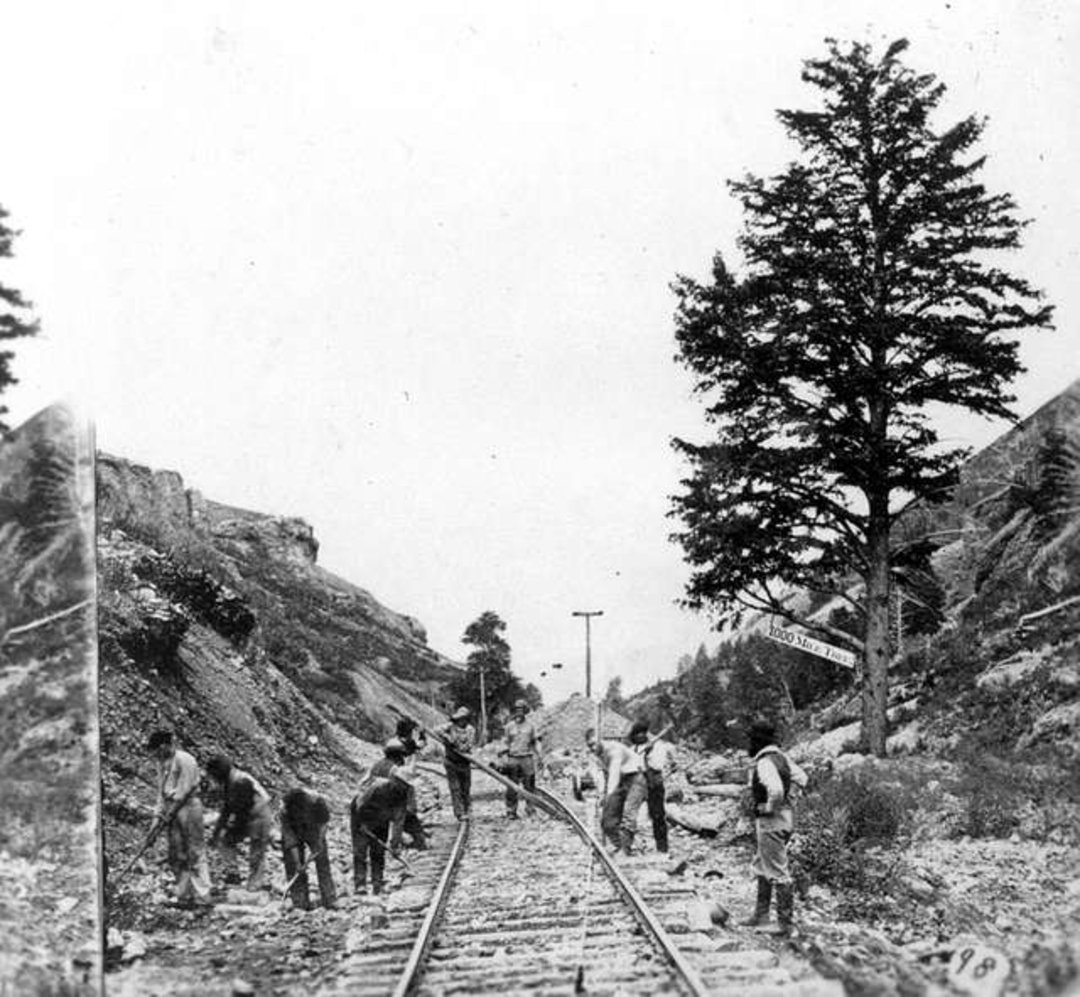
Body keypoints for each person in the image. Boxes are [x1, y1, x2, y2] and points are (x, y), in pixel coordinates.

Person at [741, 721, 808, 936]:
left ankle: (784, 923)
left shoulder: (764, 762)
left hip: (771, 820)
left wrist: (769, 807)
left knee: (777, 869)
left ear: (756, 741)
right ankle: (760, 915)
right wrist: (791, 800)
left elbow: (776, 790)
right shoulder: (781, 756)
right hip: (786, 817)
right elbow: (803, 779)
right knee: (763, 863)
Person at [147, 729, 211, 907]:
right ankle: (184, 895)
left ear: (165, 746)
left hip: (188, 806)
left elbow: (184, 791)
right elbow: (161, 793)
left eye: (158, 750)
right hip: (171, 809)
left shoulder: (185, 759)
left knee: (195, 850)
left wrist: (169, 814)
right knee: (176, 853)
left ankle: (203, 895)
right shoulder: (161, 763)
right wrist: (155, 821)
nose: (157, 755)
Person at [205, 754, 274, 892]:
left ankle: (255, 883)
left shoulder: (241, 780)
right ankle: (233, 875)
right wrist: (216, 833)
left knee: (256, 849)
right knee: (225, 841)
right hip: (245, 814)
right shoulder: (228, 782)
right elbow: (226, 809)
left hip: (259, 814)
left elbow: (241, 809)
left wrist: (232, 826)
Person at [350, 762, 415, 895]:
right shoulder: (378, 787)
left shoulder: (402, 797)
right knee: (360, 851)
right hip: (361, 817)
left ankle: (377, 884)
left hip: (381, 821)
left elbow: (398, 822)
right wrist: (361, 824)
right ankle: (360, 884)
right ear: (395, 780)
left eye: (407, 786)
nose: (404, 788)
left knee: (378, 851)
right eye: (403, 784)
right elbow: (359, 804)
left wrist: (395, 845)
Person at [586, 726, 647, 855]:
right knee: (607, 820)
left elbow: (614, 774)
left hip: (637, 778)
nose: (592, 748)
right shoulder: (597, 754)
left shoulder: (614, 749)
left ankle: (625, 850)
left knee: (628, 813)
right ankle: (621, 844)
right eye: (589, 746)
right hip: (622, 781)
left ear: (600, 740)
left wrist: (608, 795)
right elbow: (602, 775)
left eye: (593, 744)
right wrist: (602, 795)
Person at [280, 787, 336, 911]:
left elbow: (324, 822)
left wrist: (319, 842)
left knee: (322, 862)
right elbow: (290, 840)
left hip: (314, 829)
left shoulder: (316, 801)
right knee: (292, 866)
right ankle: (300, 903)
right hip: (295, 830)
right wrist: (298, 863)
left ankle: (330, 899)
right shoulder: (285, 811)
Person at [630, 721, 675, 854]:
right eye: (637, 734)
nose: (640, 736)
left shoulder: (658, 747)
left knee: (657, 816)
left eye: (642, 733)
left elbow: (657, 766)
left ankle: (662, 848)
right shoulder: (633, 749)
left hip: (654, 785)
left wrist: (648, 754)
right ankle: (636, 845)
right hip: (637, 784)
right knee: (632, 816)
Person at [501, 699, 543, 819]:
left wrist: (539, 756)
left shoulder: (531, 726)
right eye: (517, 709)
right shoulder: (509, 727)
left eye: (521, 709)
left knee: (529, 785)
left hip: (527, 758)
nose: (519, 712)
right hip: (513, 758)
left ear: (525, 711)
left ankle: (530, 809)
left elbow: (535, 742)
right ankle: (511, 811)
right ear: (514, 711)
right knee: (511, 786)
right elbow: (506, 743)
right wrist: (504, 757)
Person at [394, 719, 429, 849]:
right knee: (408, 808)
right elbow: (422, 744)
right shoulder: (409, 744)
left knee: (399, 808)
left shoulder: (394, 742)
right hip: (405, 778)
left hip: (394, 778)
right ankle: (414, 836)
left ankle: (401, 836)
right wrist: (422, 733)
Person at [435, 706, 476, 821]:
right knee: (455, 788)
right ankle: (459, 812)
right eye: (459, 719)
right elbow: (436, 730)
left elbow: (467, 746)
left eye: (463, 719)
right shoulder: (450, 727)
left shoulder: (470, 730)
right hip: (451, 762)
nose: (461, 721)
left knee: (465, 787)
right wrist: (447, 737)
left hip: (464, 762)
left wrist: (456, 744)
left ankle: (467, 809)